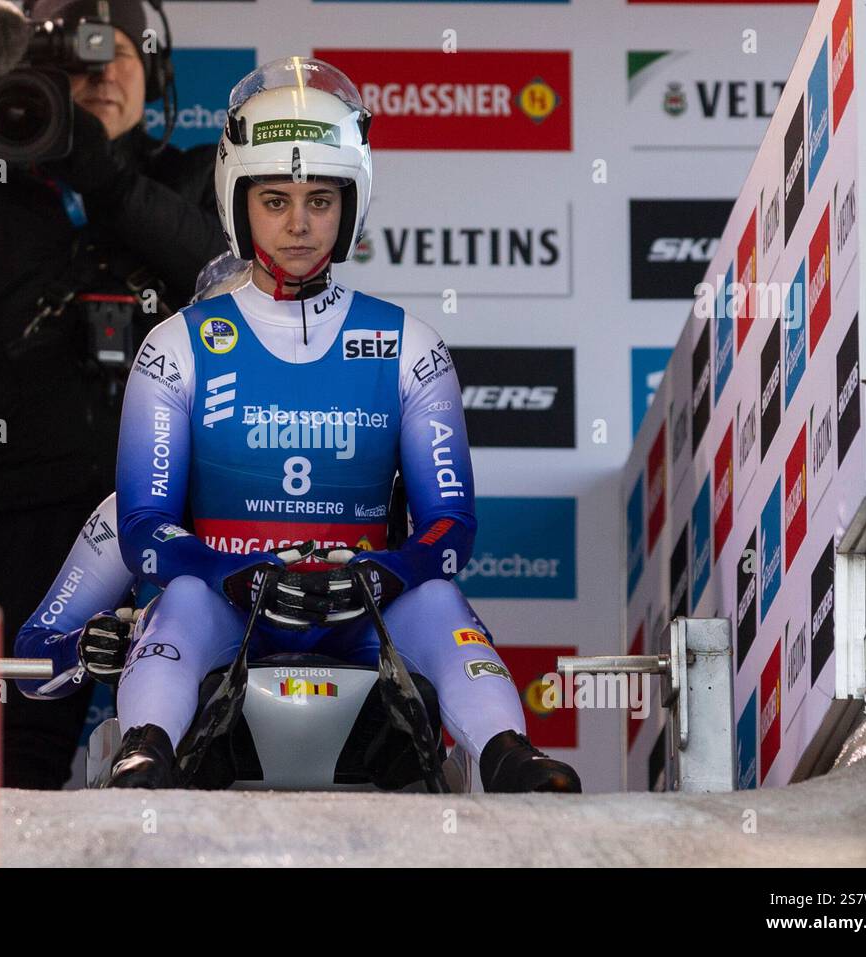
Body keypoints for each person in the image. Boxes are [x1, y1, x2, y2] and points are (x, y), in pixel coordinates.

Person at [103, 57, 582, 793]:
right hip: (231, 605)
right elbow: (144, 526)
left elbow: (450, 527)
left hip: (366, 606)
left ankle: (507, 750)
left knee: (437, 597)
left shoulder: (408, 347)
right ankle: (144, 747)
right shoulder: (175, 345)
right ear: (238, 203)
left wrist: (382, 574)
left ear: (353, 204)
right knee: (183, 600)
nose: (298, 224)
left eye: (321, 199)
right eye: (274, 199)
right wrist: (234, 575)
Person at [0, 0, 225, 789]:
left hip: (180, 525)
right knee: (0, 774)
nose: (100, 73)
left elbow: (231, 291)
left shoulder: (203, 180)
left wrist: (105, 177)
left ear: (157, 73)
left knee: (189, 764)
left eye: (121, 53)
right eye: (76, 57)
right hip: (13, 520)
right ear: (33, 75)